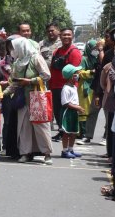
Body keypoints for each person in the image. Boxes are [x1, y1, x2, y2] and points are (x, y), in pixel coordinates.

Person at [10, 35, 53, 163]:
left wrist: (29, 81)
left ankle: (47, 153)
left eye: (15, 47)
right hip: (22, 98)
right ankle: (25, 153)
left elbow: (46, 75)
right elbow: (14, 81)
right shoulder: (17, 62)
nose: (13, 50)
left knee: (41, 126)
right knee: (24, 127)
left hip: (36, 97)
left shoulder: (36, 58)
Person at [49, 26, 82, 140]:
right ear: (60, 37)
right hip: (55, 87)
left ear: (72, 36)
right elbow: (52, 69)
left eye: (69, 35)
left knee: (67, 113)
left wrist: (74, 88)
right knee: (58, 112)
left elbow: (76, 72)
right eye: (64, 35)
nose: (66, 37)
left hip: (67, 88)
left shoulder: (74, 52)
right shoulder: (56, 52)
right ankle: (61, 131)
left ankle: (68, 134)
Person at [59, 64, 83, 158]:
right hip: (68, 112)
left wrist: (77, 108)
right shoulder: (66, 88)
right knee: (66, 132)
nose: (78, 75)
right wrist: (77, 108)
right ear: (70, 76)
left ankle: (71, 149)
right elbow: (65, 103)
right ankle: (64, 151)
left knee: (74, 132)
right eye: (76, 74)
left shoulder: (74, 87)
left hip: (74, 112)